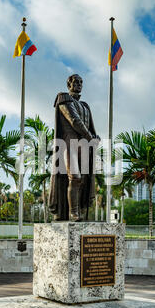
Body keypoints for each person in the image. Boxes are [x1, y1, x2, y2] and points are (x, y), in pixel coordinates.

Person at [49, 74, 99, 221]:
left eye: (81, 82)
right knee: (75, 177)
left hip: (83, 148)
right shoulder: (63, 98)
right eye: (76, 82)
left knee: (83, 180)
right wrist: (91, 137)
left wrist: (95, 138)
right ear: (69, 84)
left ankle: (77, 211)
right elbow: (74, 121)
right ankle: (73, 213)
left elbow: (90, 126)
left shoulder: (85, 106)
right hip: (68, 145)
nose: (79, 84)